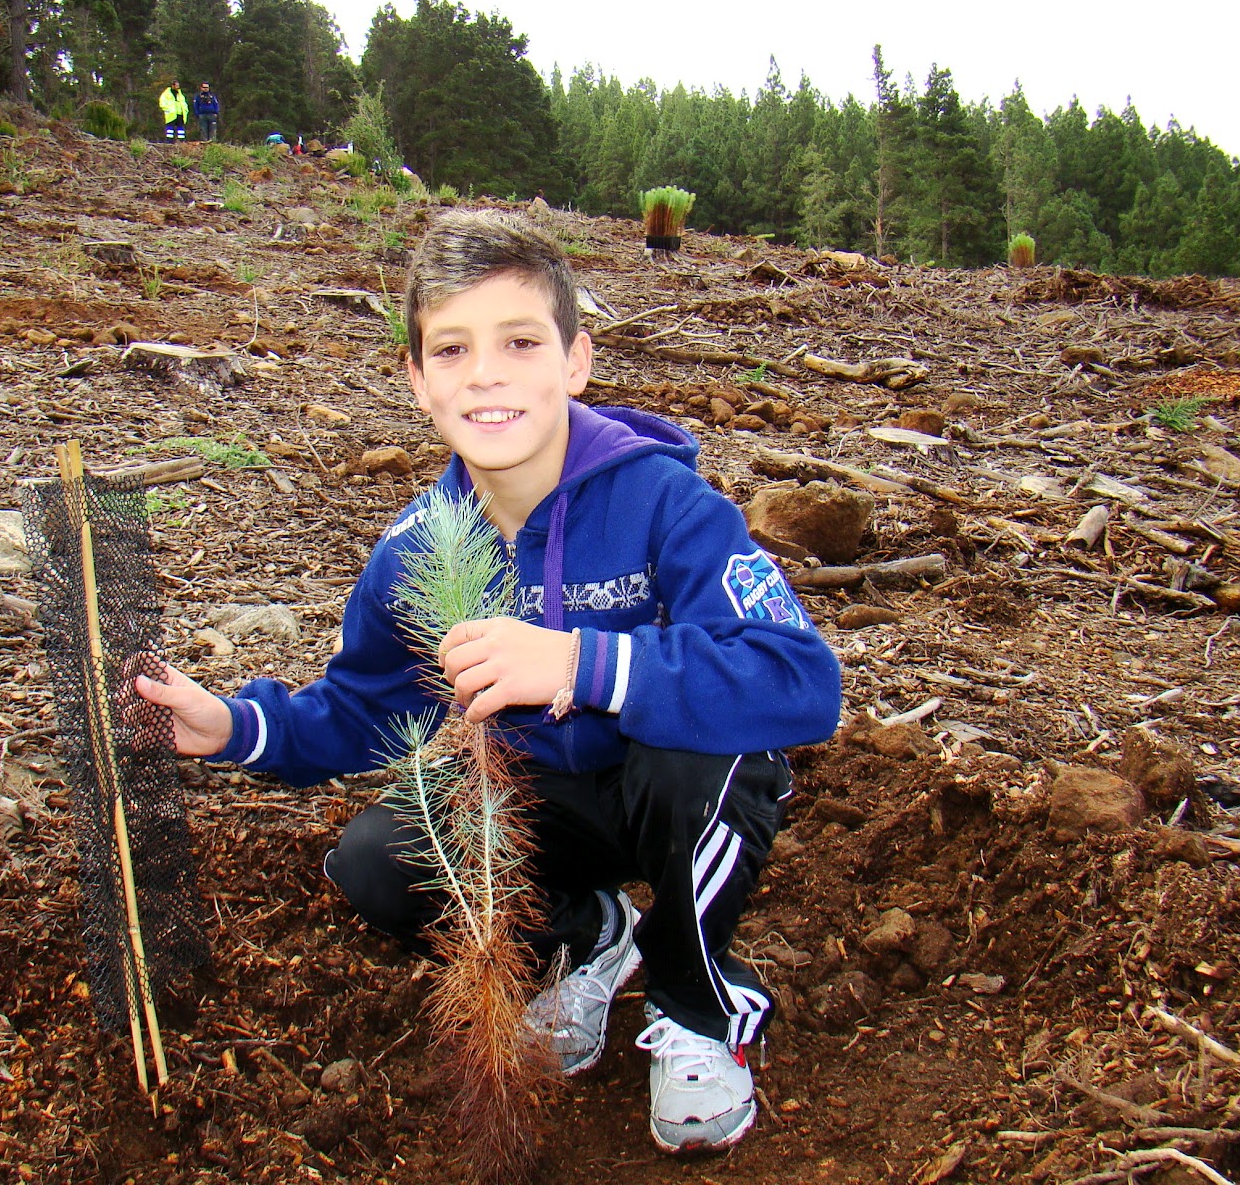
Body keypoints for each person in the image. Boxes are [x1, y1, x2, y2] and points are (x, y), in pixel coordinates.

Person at [133, 211, 842, 1155]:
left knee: (701, 766)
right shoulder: (419, 549)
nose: (488, 374)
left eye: (519, 341)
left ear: (575, 362)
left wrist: (583, 663)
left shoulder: (663, 501)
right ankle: (588, 939)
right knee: (382, 860)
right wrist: (233, 726)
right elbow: (359, 708)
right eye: (453, 349)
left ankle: (697, 1006)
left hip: (662, 790)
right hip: (542, 801)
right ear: (419, 383)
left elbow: (800, 678)